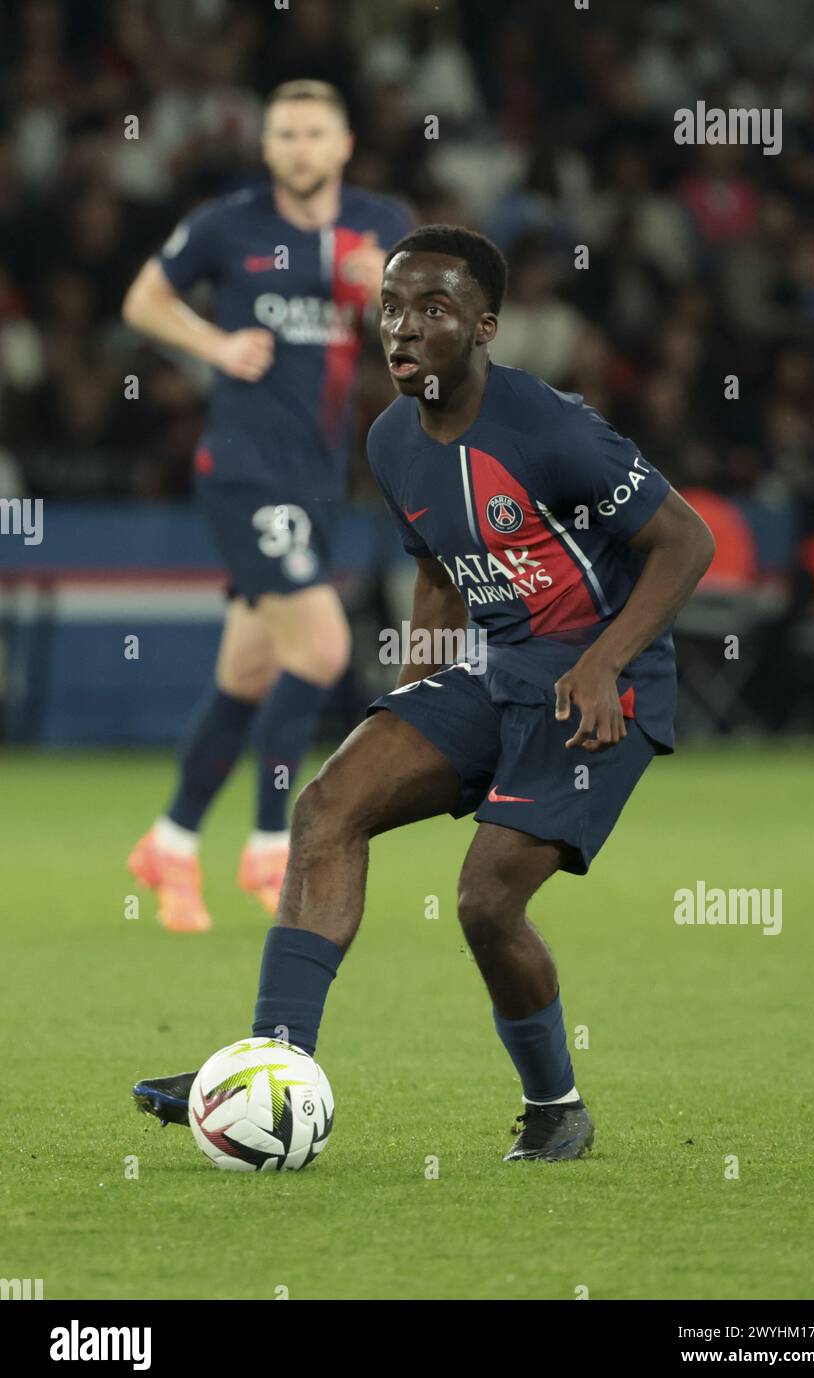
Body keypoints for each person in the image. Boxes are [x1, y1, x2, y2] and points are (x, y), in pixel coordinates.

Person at [132, 225, 715, 1161]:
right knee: (327, 806)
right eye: (391, 307)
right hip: (497, 670)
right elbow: (440, 575)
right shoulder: (392, 438)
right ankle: (267, 1071)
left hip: (602, 684)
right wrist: (412, 704)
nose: (402, 328)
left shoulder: (552, 429)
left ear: (484, 327)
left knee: (486, 898)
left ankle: (556, 1106)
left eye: (432, 311)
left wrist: (606, 663)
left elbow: (686, 541)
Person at [123, 80, 413, 932]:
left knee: (246, 674)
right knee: (323, 646)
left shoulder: (381, 225)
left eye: (314, 132)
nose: (298, 146)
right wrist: (213, 344)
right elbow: (144, 298)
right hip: (244, 470)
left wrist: (387, 293)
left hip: (321, 475)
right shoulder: (230, 222)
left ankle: (170, 843)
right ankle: (267, 845)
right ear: (267, 145)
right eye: (284, 132)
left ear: (344, 144)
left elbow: (438, 328)